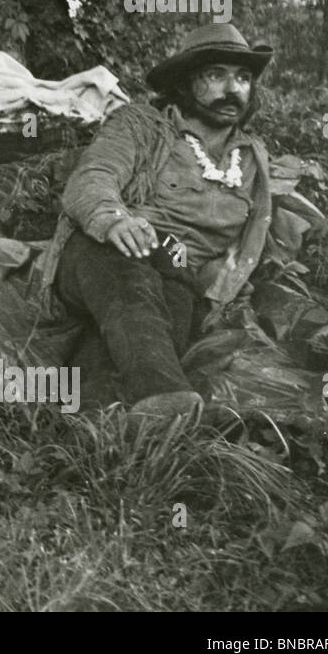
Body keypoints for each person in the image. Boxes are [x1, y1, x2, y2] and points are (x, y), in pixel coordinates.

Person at [39, 23, 275, 419]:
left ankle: (100, 434)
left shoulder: (252, 159)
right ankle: (166, 397)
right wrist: (115, 221)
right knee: (135, 272)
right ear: (184, 84)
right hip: (103, 253)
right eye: (216, 75)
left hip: (178, 273)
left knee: (164, 294)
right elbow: (91, 179)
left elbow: (250, 241)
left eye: (243, 78)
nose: (233, 89)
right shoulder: (140, 125)